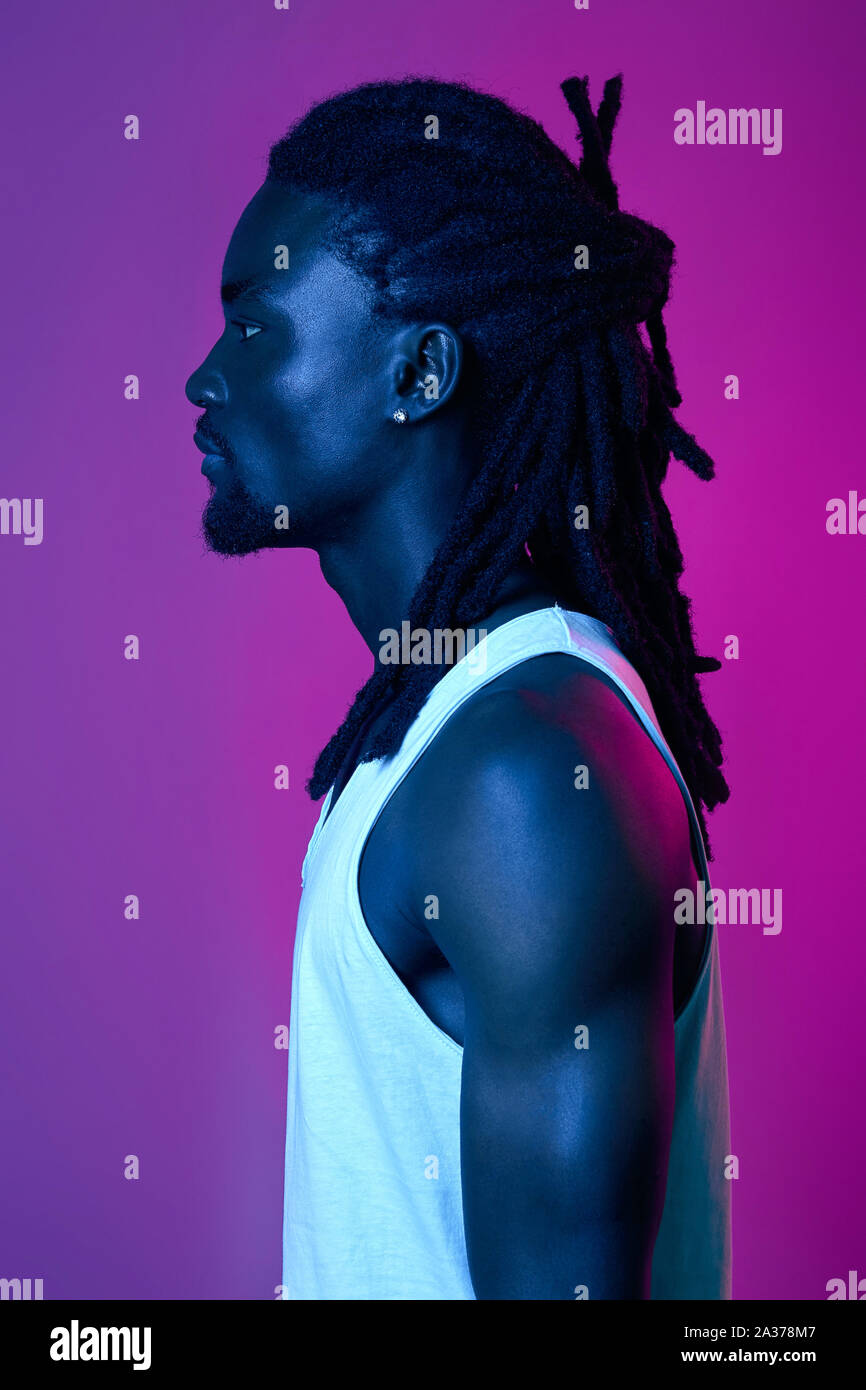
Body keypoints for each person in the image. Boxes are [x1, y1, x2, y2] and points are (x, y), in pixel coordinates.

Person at [185, 73, 732, 1300]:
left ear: (418, 374)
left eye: (255, 324)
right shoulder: (446, 735)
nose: (202, 379)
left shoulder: (526, 773)